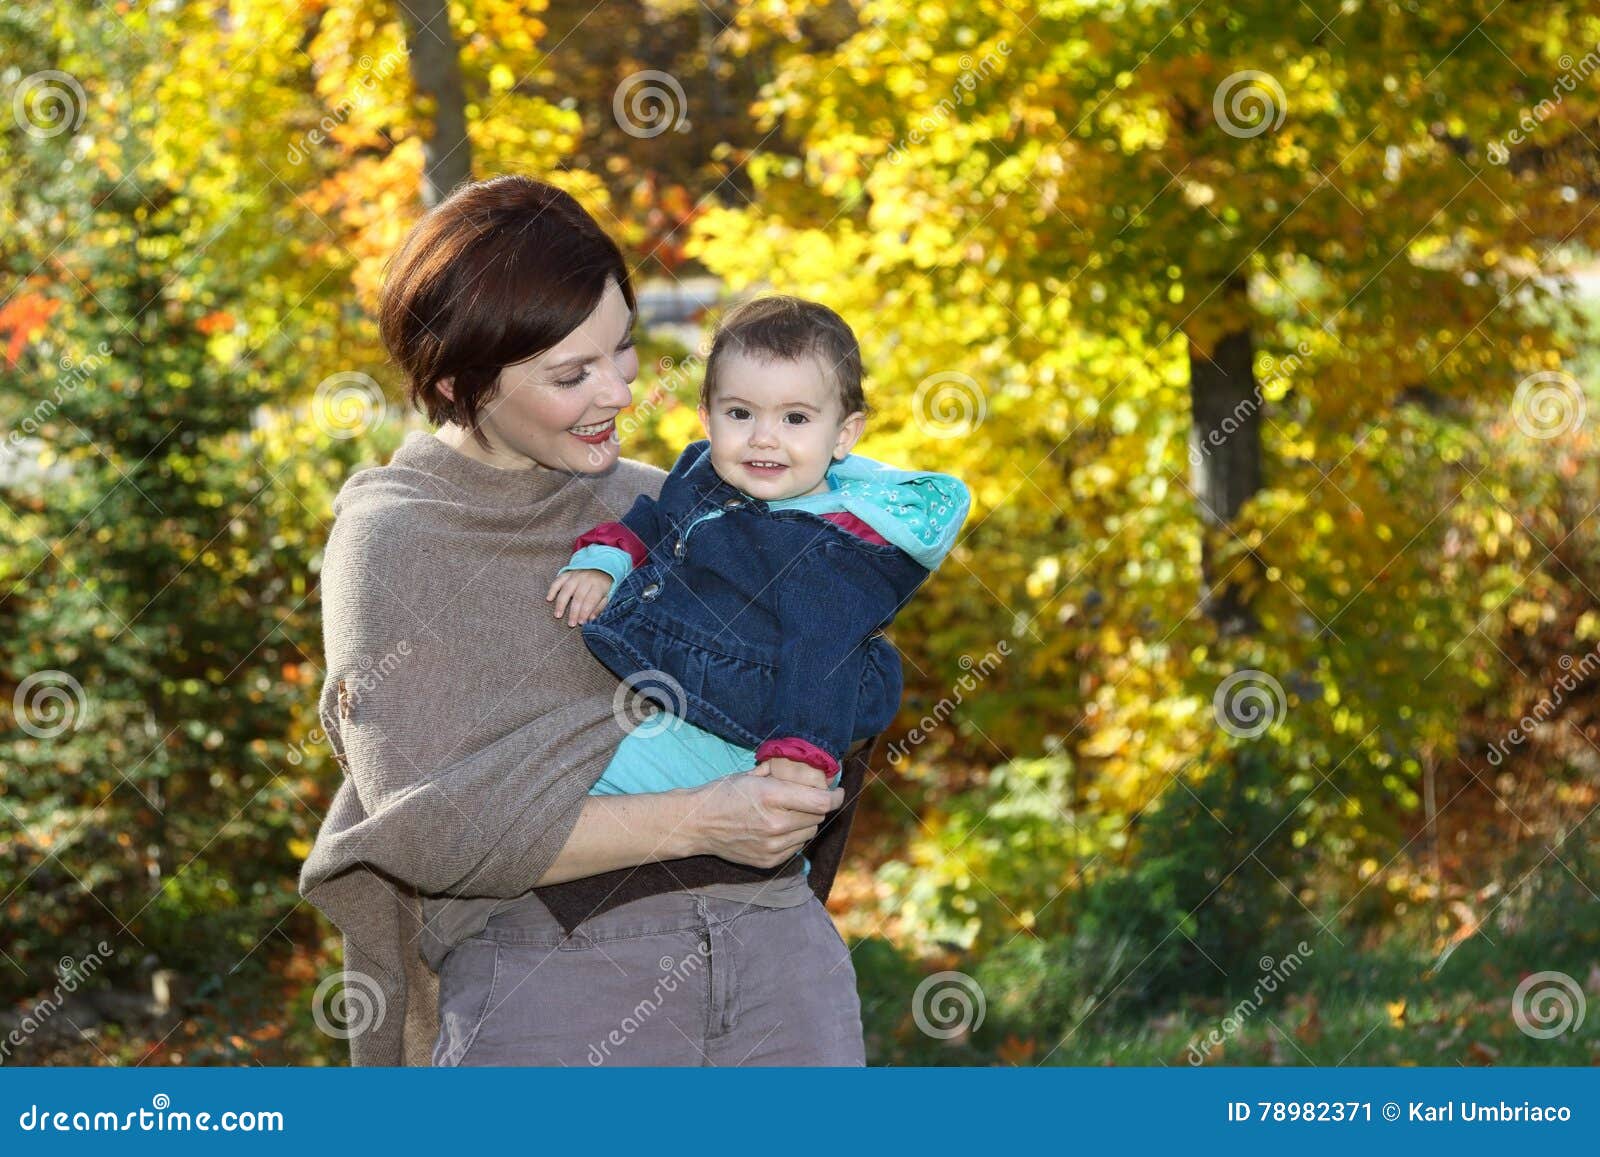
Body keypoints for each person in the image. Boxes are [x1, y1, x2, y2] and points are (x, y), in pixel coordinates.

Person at [298, 175, 865, 1067]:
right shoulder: (395, 537)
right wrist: (705, 817)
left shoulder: (665, 503)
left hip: (780, 961)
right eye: (572, 375)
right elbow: (435, 826)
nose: (619, 394)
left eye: (623, 353)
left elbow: (819, 691)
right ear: (459, 380)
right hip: (557, 985)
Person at [546, 295, 969, 826]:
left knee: (582, 772)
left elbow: (824, 653)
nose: (763, 437)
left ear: (843, 434)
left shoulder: (827, 550)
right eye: (740, 413)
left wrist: (802, 755)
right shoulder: (705, 473)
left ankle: (768, 863)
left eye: (795, 418)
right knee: (575, 754)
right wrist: (607, 556)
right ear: (707, 417)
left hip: (766, 727)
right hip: (700, 678)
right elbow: (657, 519)